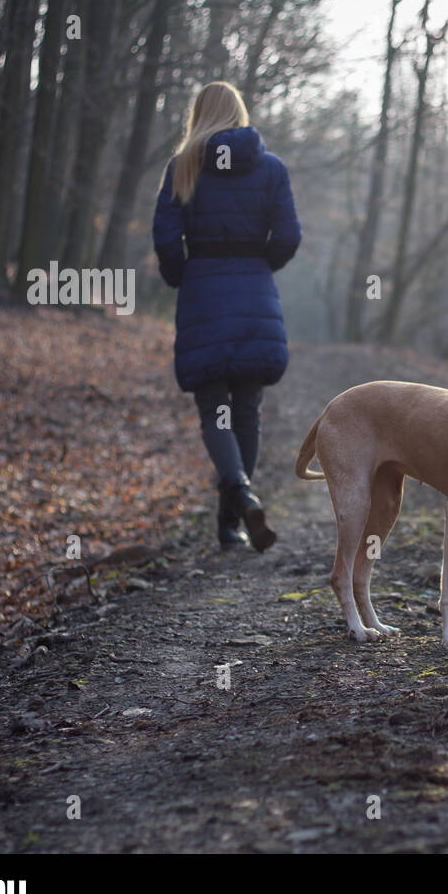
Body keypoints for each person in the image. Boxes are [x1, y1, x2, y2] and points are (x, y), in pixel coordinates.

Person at [153, 81, 301, 551]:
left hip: (202, 295)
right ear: (239, 112)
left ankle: (238, 495)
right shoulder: (271, 168)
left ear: (197, 115)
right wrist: (261, 265)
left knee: (214, 409)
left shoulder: (184, 167)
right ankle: (231, 523)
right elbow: (290, 235)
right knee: (247, 412)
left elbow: (164, 237)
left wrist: (182, 274)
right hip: (254, 295)